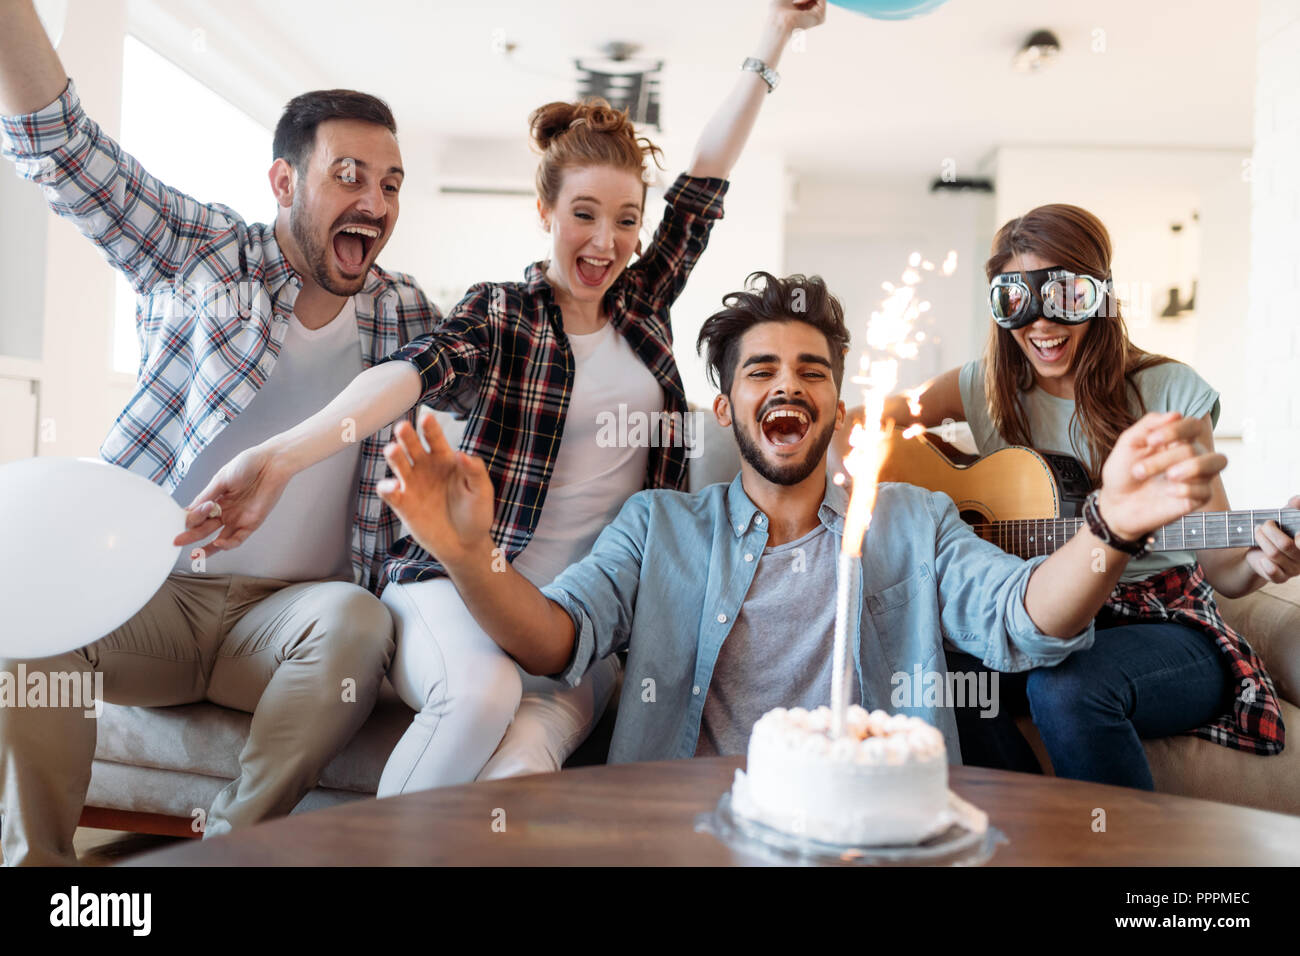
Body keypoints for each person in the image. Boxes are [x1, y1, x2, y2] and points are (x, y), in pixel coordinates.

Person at [179, 0, 831, 791]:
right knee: (481, 694)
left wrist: (777, 33)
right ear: (545, 211)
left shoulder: (645, 306)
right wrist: (282, 457)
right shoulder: (502, 311)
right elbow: (407, 377)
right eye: (583, 215)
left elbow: (705, 178)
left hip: (581, 627)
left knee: (522, 762)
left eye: (627, 221)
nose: (606, 242)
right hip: (455, 587)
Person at [369, 270, 1231, 767]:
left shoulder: (913, 522)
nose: (788, 385)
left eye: (813, 371)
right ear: (723, 407)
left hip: (871, 838)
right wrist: (469, 554)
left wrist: (1108, 529)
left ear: (840, 406)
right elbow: (559, 642)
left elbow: (1022, 623)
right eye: (762, 371)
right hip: (687, 834)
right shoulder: (656, 527)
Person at [0, 0, 438, 864]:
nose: (375, 202)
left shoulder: (408, 313)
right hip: (149, 595)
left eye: (389, 184)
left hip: (286, 622)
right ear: (284, 183)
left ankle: (228, 853)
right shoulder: (198, 254)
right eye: (349, 175)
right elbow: (64, 150)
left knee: (357, 621)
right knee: (28, 626)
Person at [866, 203, 1295, 788]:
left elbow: (1223, 568)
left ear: (1102, 296)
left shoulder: (1167, 391)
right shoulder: (982, 386)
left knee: (1066, 686)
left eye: (1066, 296)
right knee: (939, 679)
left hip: (1163, 623)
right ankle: (1027, 838)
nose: (1041, 325)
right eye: (1016, 301)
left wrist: (1262, 562)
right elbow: (870, 428)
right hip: (1034, 615)